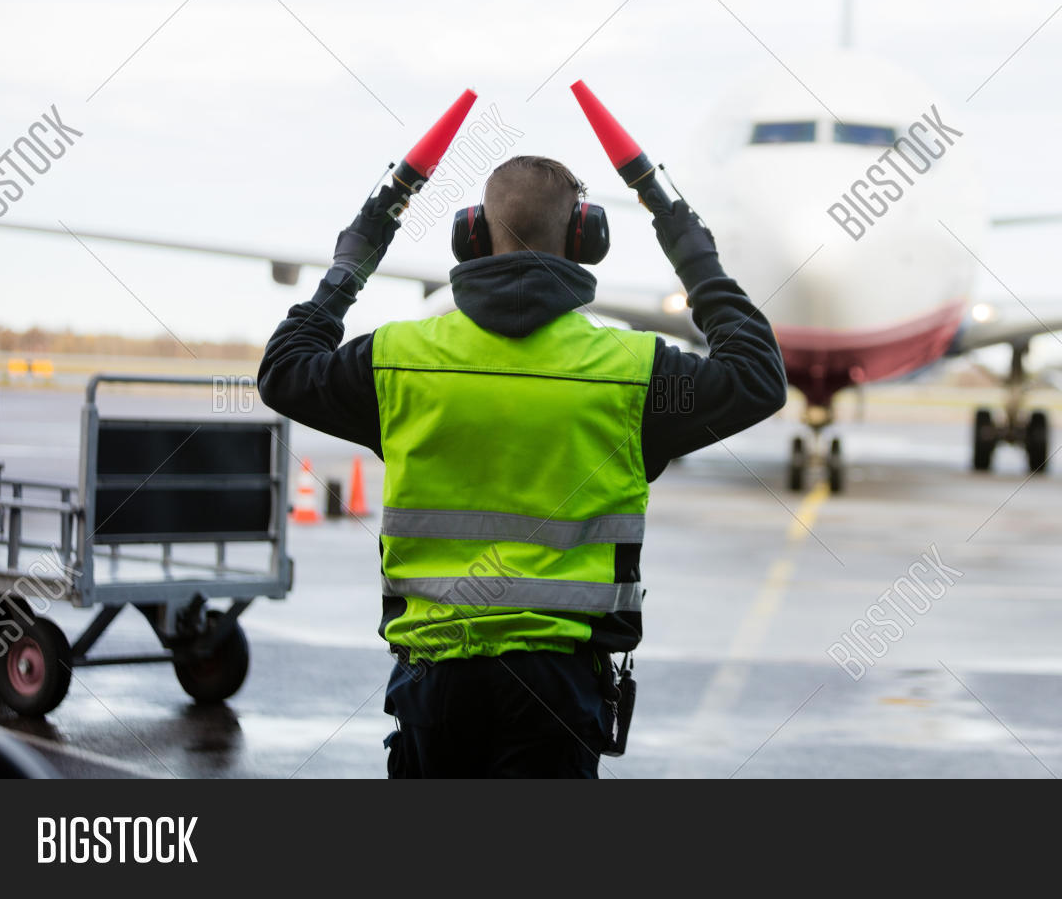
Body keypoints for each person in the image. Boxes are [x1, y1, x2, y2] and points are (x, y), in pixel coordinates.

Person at [257, 155, 786, 777]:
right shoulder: (634, 372)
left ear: (471, 235)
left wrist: (358, 256)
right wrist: (692, 254)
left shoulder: (397, 361)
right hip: (559, 690)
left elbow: (284, 370)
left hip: (435, 685)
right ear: (585, 238)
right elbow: (757, 375)